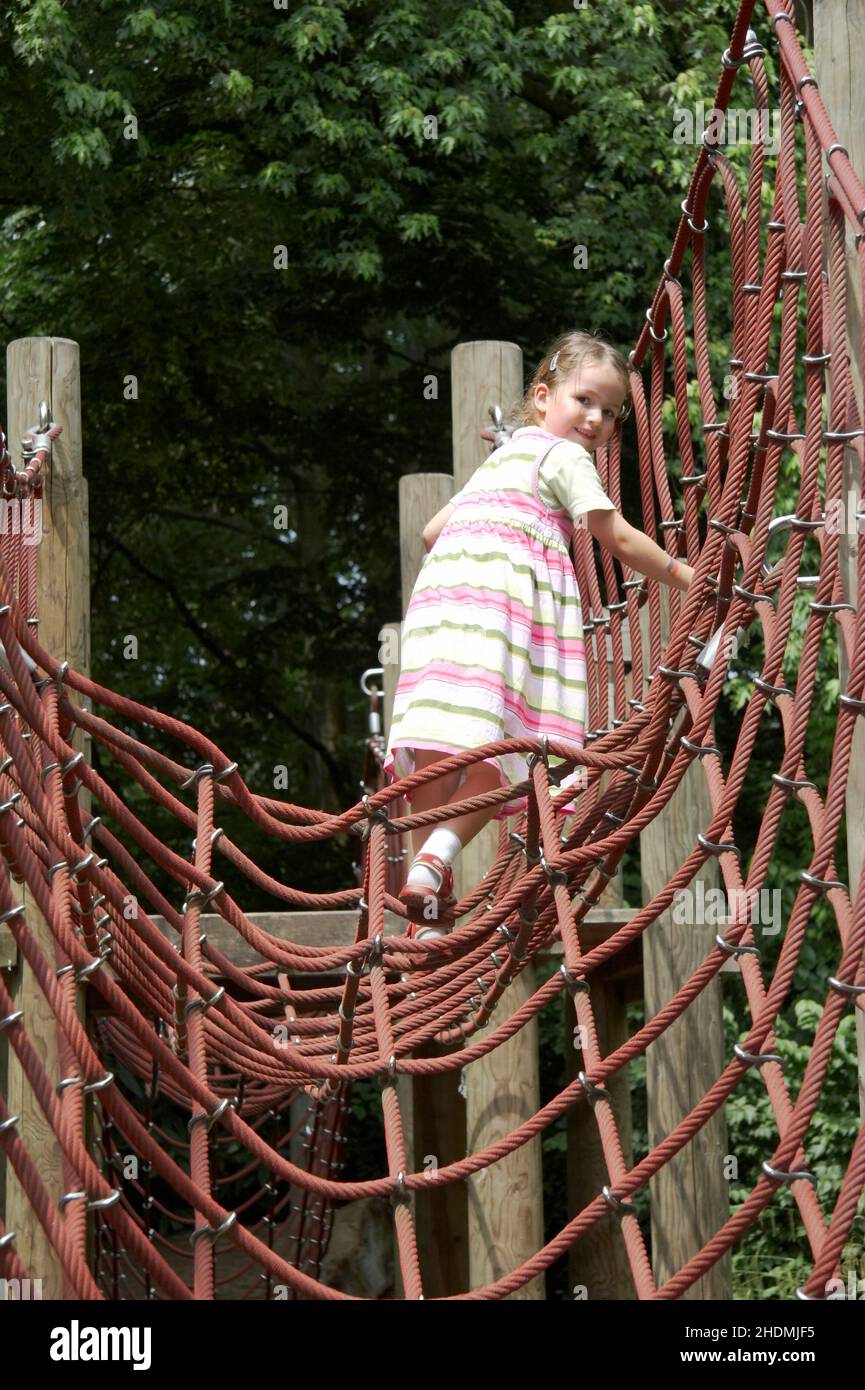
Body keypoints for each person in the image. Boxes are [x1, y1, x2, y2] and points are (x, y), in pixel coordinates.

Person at [382, 329, 695, 938]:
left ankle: (425, 889)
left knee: (441, 743)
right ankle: (436, 860)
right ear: (545, 395)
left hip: (445, 610)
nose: (597, 419)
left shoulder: (505, 455)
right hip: (504, 612)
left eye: (611, 412)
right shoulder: (566, 458)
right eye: (585, 400)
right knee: (513, 751)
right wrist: (687, 576)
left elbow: (430, 535)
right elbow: (616, 536)